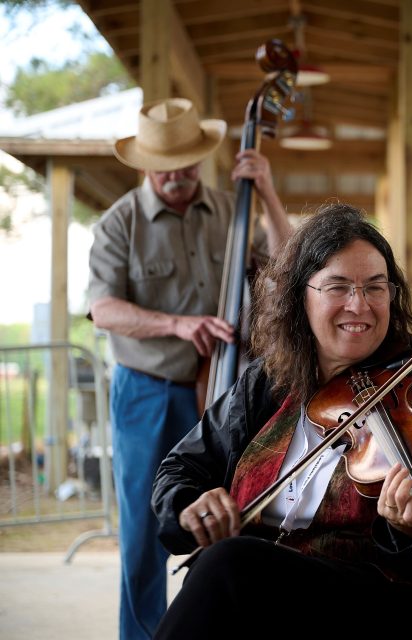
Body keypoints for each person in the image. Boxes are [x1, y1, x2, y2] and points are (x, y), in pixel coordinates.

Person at [150, 204, 412, 639]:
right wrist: (189, 506)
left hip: (373, 603)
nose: (360, 305)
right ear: (301, 296)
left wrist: (405, 532)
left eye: (375, 287)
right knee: (223, 569)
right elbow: (182, 468)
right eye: (338, 287)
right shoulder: (268, 383)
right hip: (260, 587)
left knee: (227, 565)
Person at [87, 97, 292, 640]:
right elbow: (103, 309)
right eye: (164, 164)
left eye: (186, 161)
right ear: (144, 163)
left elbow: (290, 263)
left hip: (222, 392)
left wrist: (266, 191)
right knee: (145, 534)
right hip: (147, 391)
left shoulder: (231, 208)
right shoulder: (119, 223)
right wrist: (177, 325)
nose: (177, 175)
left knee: (224, 522)